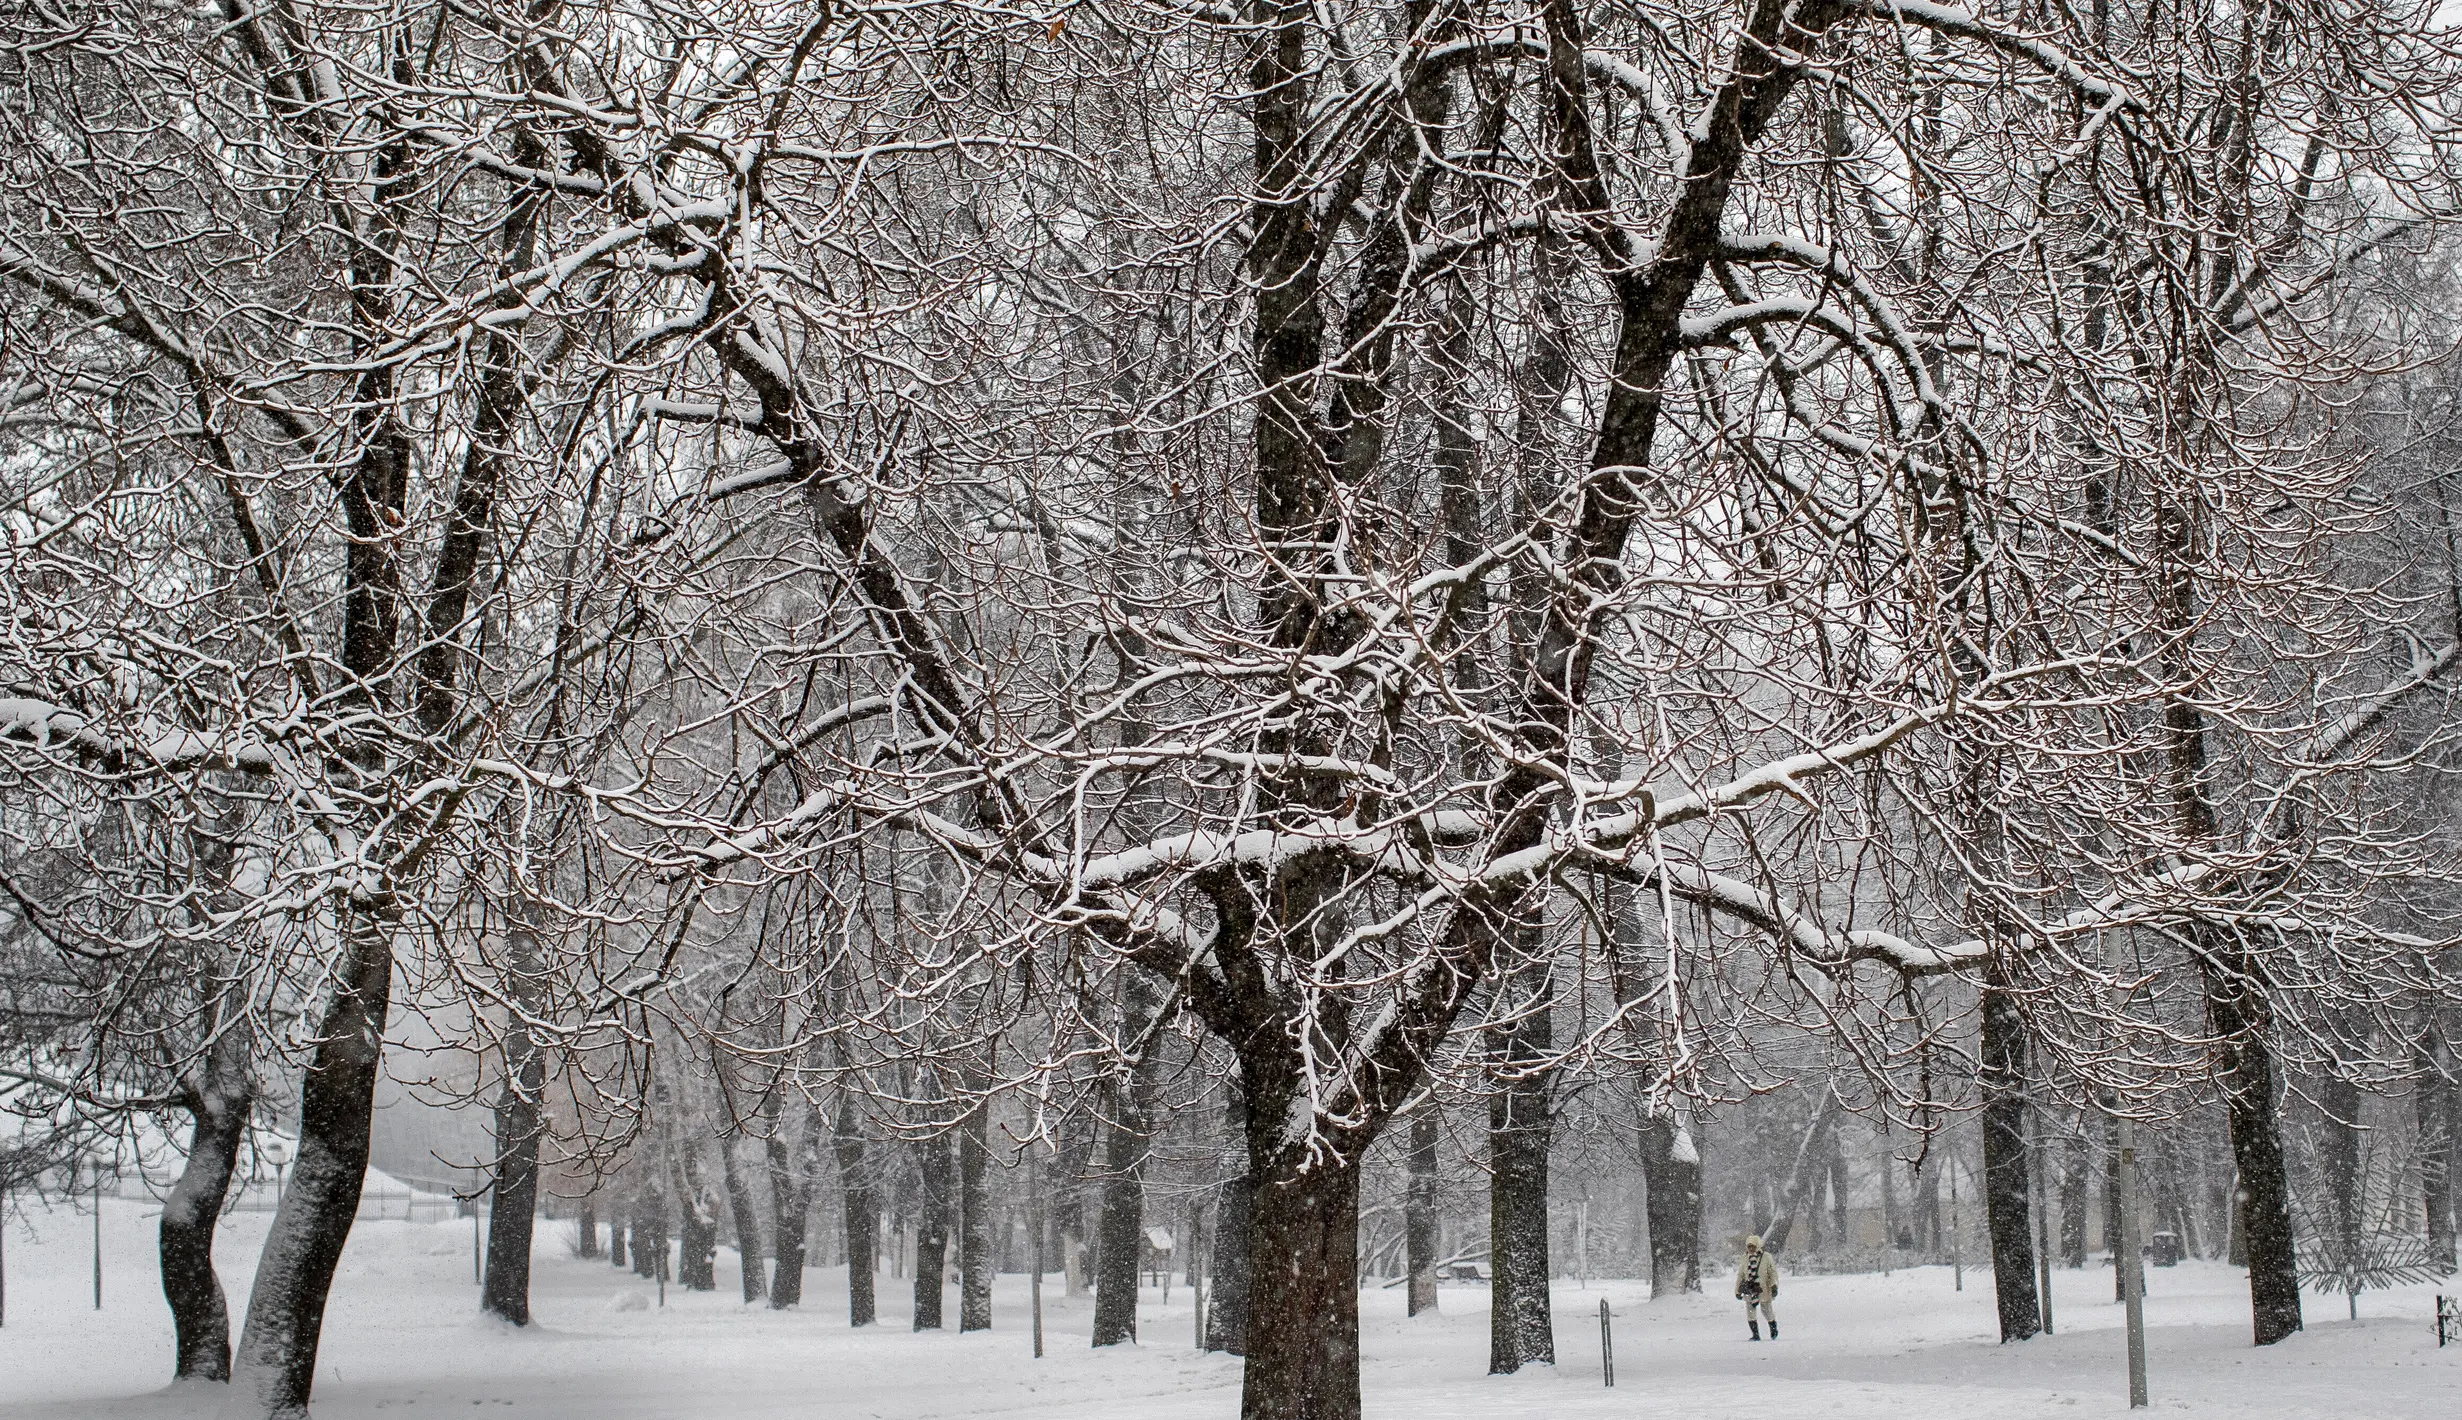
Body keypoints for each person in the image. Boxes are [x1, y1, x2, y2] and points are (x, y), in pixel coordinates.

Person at [1734, 1234, 1779, 1340]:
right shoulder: (1745, 1258)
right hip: (1750, 1288)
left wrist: (1773, 1285)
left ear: (1758, 1246)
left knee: (1766, 1310)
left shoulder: (1766, 1257)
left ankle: (1773, 1328)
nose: (1751, 1249)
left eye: (1753, 1246)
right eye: (1749, 1246)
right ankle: (1755, 1334)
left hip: (1763, 1288)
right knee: (1750, 1311)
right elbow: (1741, 1274)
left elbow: (1772, 1272)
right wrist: (1737, 1290)